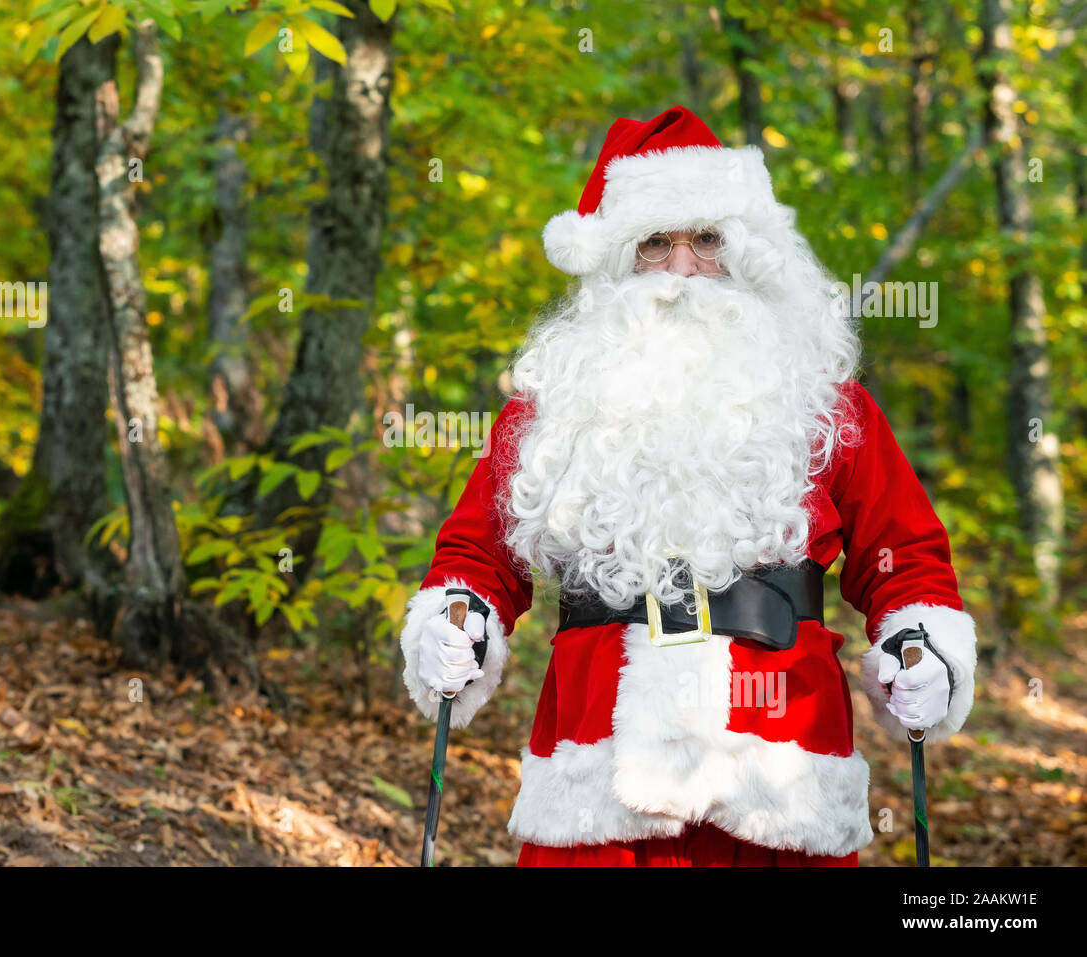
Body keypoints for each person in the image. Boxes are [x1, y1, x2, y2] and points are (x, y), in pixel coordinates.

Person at [398, 106, 977, 866]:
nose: (682, 269)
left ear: (744, 250)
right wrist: (459, 614)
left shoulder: (827, 401)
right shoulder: (552, 403)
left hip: (781, 769)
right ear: (617, 259)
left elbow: (905, 553)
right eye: (655, 242)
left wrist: (919, 641)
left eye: (706, 238)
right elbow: (479, 550)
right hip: (596, 773)